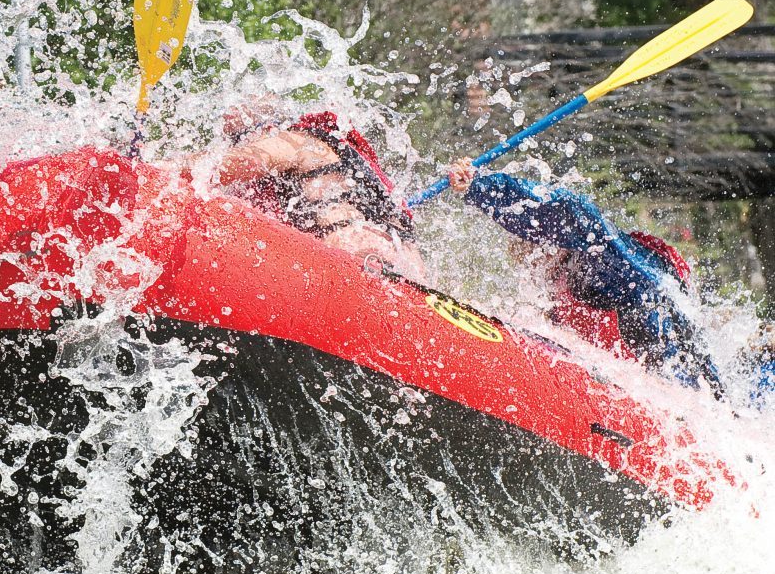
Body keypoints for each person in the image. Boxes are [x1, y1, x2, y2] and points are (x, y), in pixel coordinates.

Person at [446, 159, 722, 393]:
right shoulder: (558, 293)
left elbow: (569, 209)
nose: (528, 266)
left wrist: (480, 185)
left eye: (532, 249)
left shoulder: (605, 255)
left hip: (658, 363)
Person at [189, 107, 428, 281]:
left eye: (234, 140)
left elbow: (229, 163)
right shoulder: (339, 154)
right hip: (409, 275)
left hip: (360, 262)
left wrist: (160, 168)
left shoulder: (292, 141)